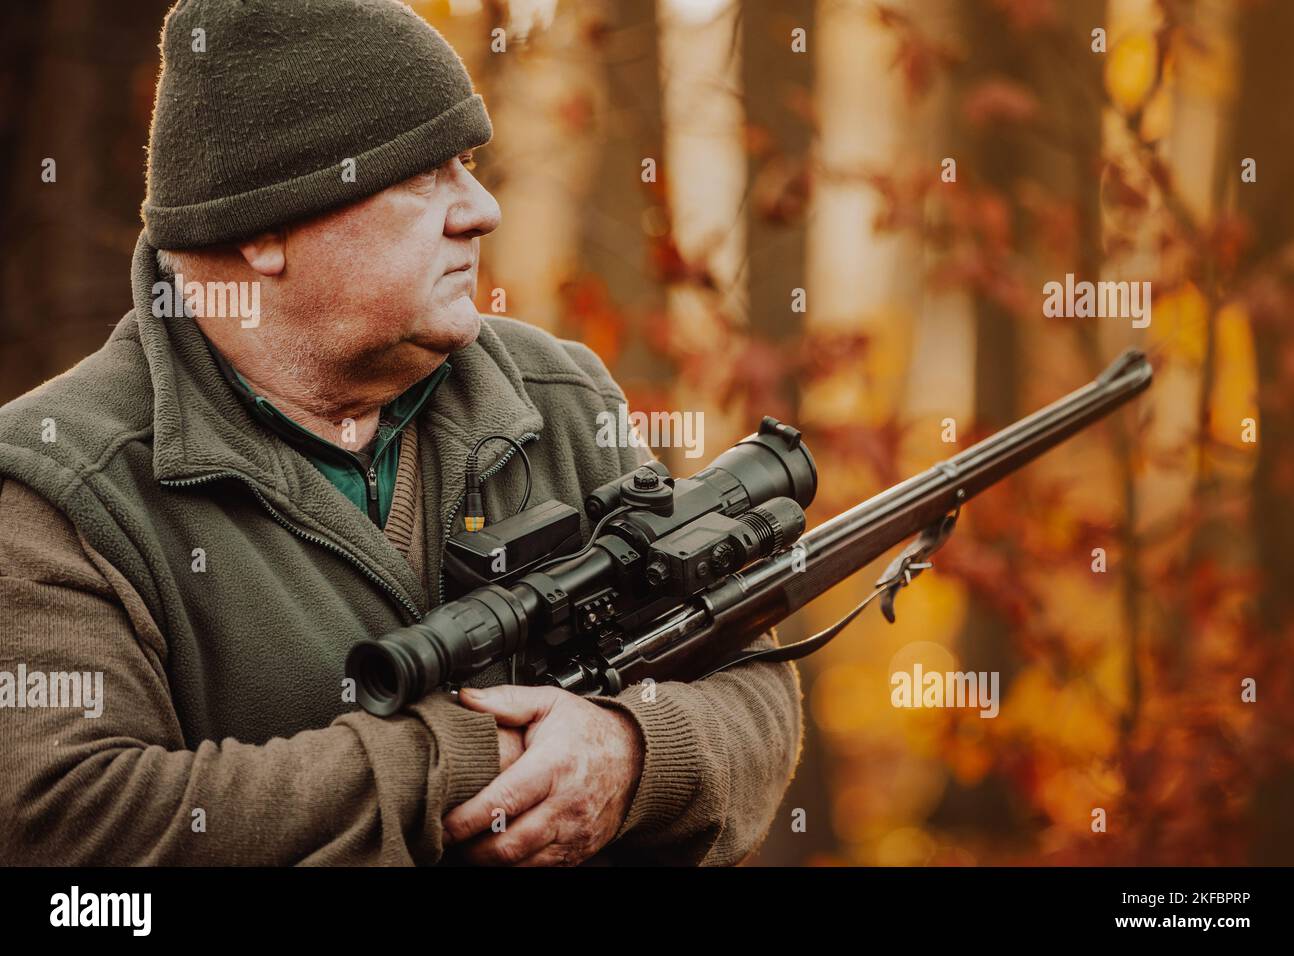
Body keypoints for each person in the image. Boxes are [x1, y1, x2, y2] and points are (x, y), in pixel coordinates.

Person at [0, 0, 802, 866]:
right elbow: (67, 824)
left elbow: (746, 677)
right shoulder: (55, 491)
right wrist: (456, 767)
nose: (482, 209)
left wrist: (633, 752)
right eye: (426, 174)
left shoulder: (557, 395)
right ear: (264, 231)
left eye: (471, 164)